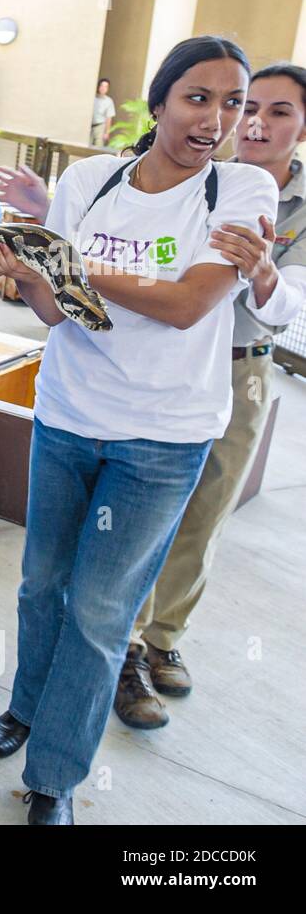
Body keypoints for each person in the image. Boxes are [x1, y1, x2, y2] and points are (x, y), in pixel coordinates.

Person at [0, 36, 277, 824]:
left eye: (234, 102)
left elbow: (186, 307)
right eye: (199, 98)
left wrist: (61, 261)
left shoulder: (241, 191)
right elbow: (50, 307)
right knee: (42, 587)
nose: (218, 118)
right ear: (162, 99)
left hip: (162, 442)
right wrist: (24, 271)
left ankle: (56, 778)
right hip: (69, 416)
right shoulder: (89, 180)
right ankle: (27, 708)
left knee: (102, 614)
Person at [117, 62, 306, 728]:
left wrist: (260, 274)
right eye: (245, 105)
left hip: (241, 365)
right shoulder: (192, 177)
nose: (254, 121)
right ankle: (127, 648)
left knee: (205, 514)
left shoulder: (298, 209)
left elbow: (291, 308)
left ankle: (164, 637)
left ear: (303, 125)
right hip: (162, 366)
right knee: (145, 516)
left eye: (279, 111)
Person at [90, 77, 115, 147]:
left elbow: (109, 118)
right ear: (98, 86)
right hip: (89, 126)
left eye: (106, 86)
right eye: (102, 86)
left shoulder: (109, 101)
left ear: (108, 89)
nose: (103, 88)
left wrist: (107, 133)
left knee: (98, 147)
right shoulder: (92, 98)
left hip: (100, 127)